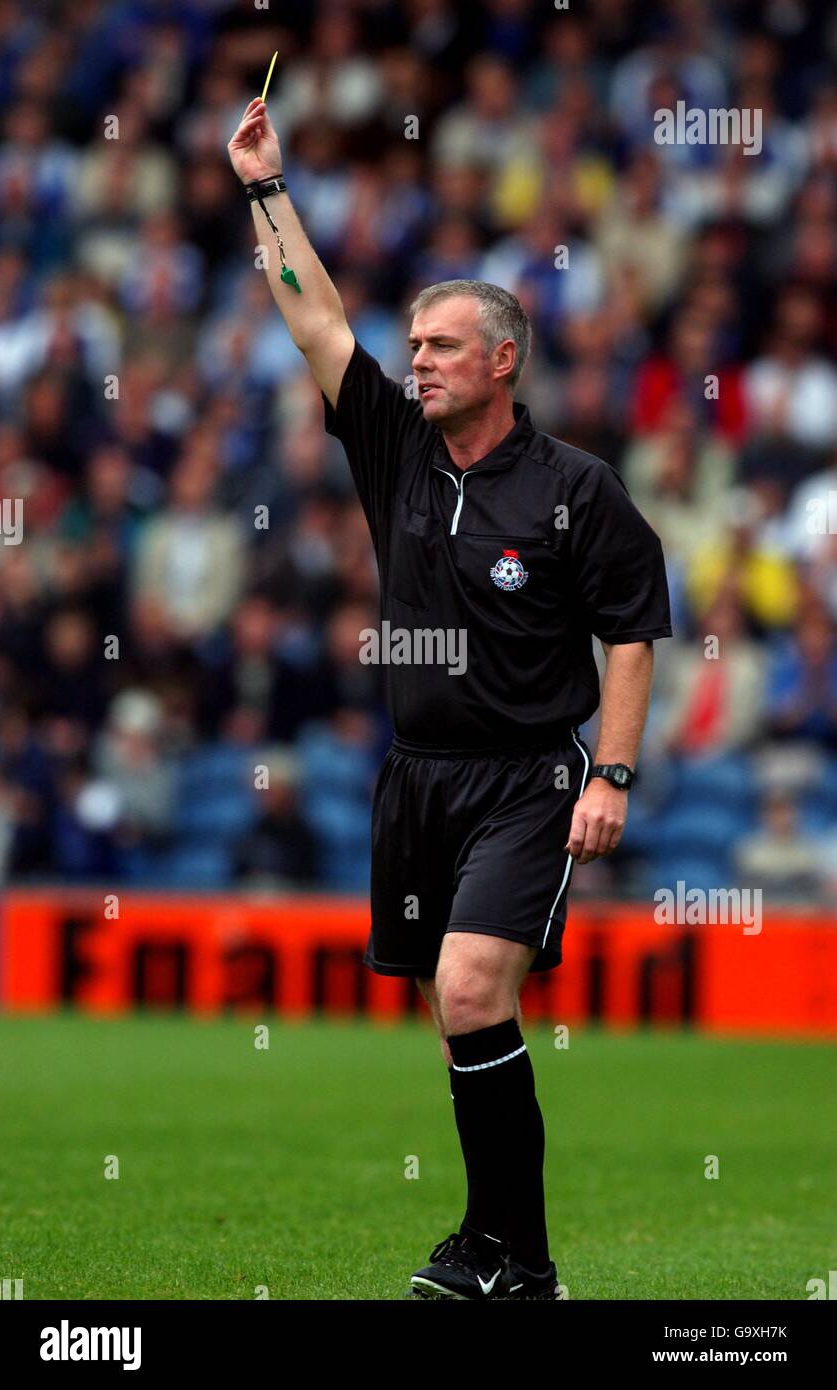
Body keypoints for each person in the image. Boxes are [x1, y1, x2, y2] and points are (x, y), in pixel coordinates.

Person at [227, 96, 672, 1301]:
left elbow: (632, 632)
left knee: (475, 989)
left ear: (501, 361)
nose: (413, 359)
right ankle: (497, 1248)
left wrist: (615, 773)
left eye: (437, 346)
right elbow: (314, 316)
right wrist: (267, 189)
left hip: (530, 775)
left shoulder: (580, 489)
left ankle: (523, 1262)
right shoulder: (395, 449)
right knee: (459, 1022)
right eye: (412, 344)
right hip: (415, 777)